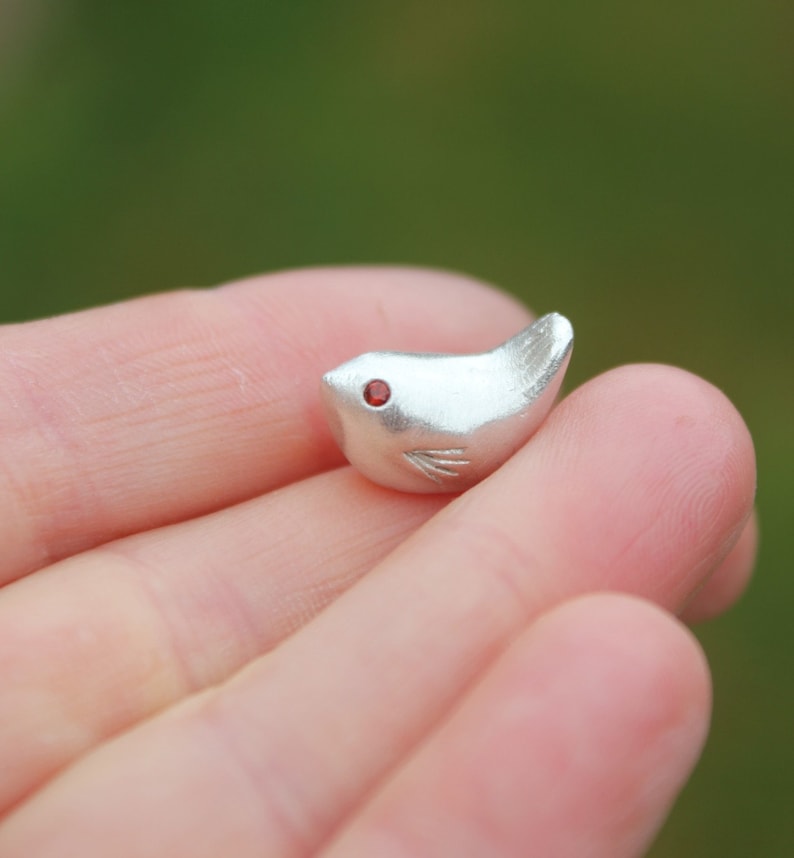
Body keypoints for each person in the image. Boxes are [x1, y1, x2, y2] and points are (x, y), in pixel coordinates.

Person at [0, 267, 757, 857]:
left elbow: (467, 428)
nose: (345, 394)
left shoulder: (426, 419)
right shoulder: (375, 433)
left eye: (369, 390)